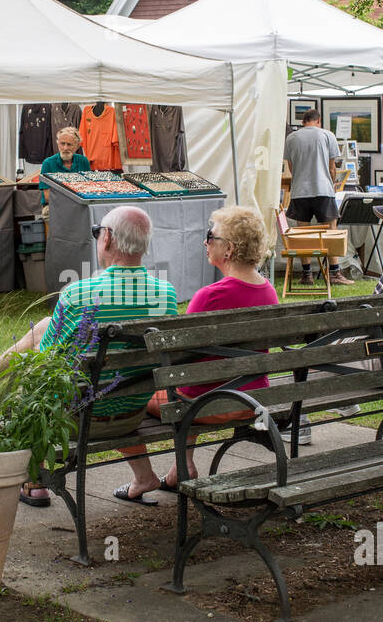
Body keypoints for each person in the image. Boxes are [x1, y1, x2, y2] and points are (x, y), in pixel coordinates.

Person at [0, 206, 178, 507]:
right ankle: (144, 475)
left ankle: (35, 481)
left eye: (97, 232)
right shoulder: (166, 295)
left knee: (37, 369)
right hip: (132, 414)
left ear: (108, 239)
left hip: (81, 420)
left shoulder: (79, 294)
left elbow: (45, 366)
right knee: (112, 376)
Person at [118, 206, 277, 496]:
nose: (205, 242)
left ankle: (154, 474)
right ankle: (183, 467)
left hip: (208, 405)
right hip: (251, 398)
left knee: (129, 396)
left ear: (228, 248)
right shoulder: (268, 291)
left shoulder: (210, 296)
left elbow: (176, 357)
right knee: (191, 384)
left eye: (210, 236)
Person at [284, 108, 351, 286]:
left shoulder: (291, 138)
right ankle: (335, 273)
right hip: (323, 189)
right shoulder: (327, 135)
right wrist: (333, 184)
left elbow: (291, 166)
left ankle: (307, 275)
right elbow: (332, 167)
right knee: (331, 231)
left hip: (300, 192)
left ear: (303, 121)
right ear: (318, 121)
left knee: (302, 235)